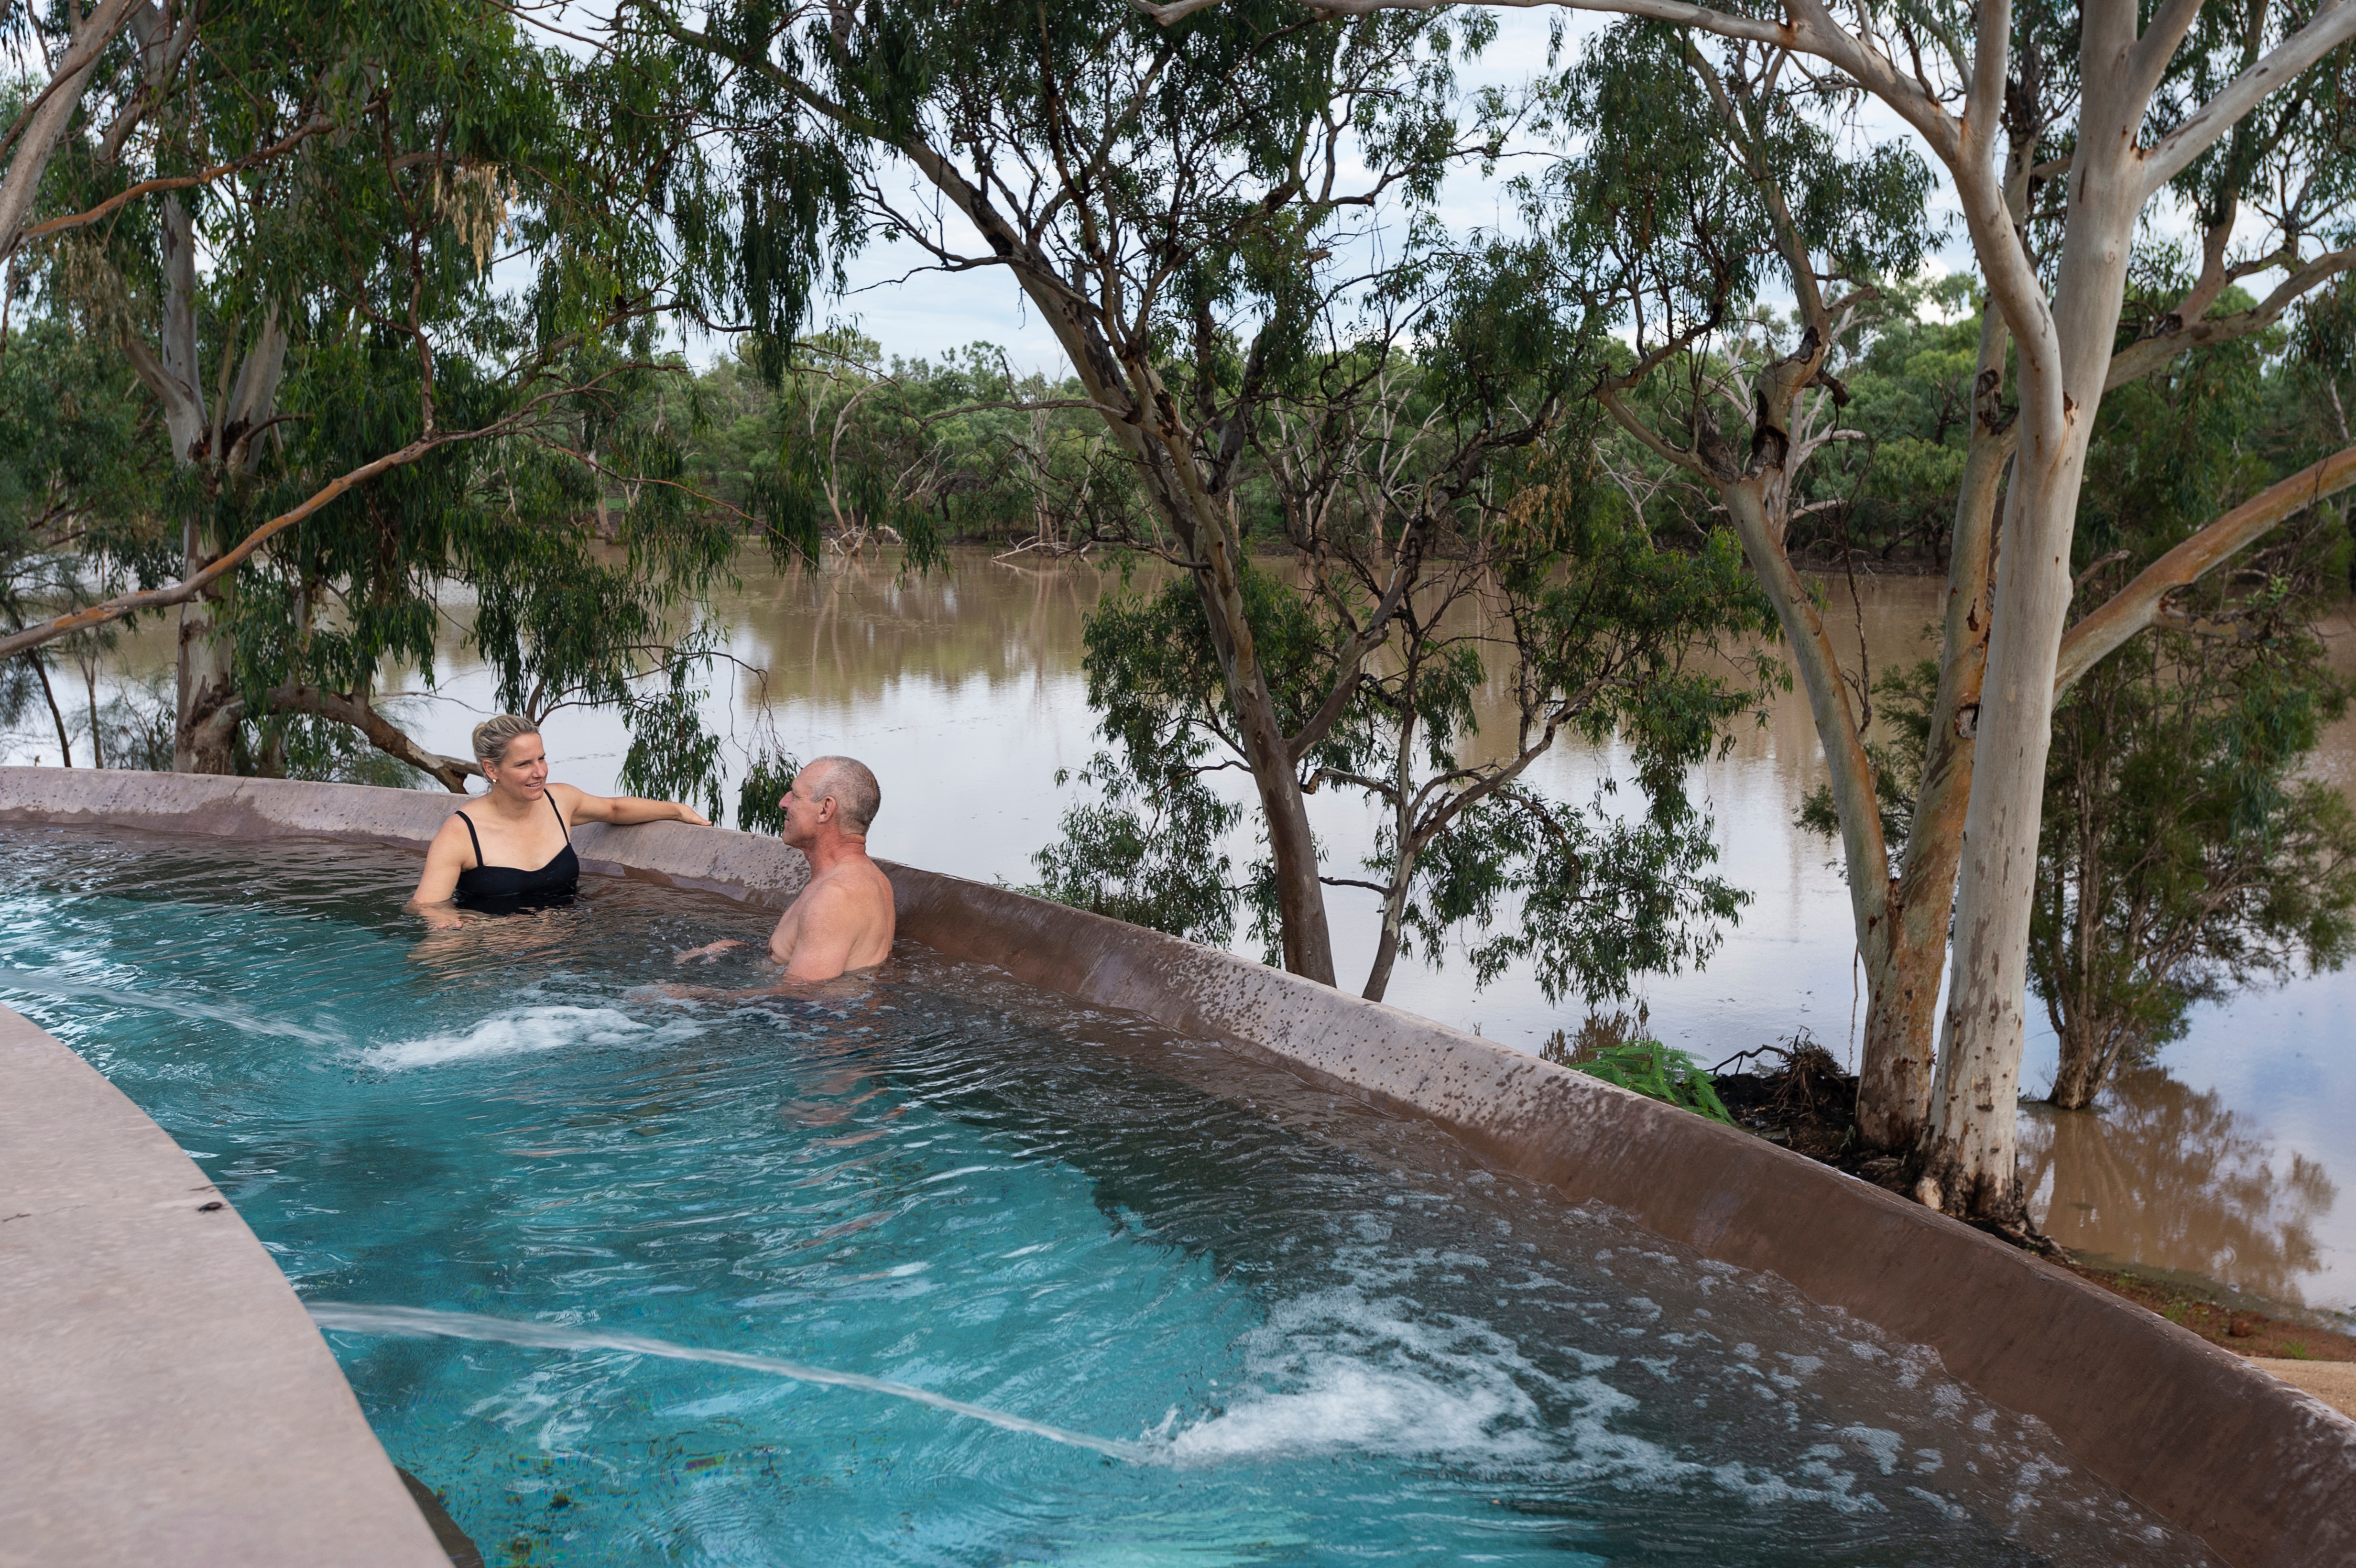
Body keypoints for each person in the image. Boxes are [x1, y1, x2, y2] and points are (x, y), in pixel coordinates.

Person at [406, 714, 710, 926]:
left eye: (541, 758)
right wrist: (483, 927)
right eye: (524, 764)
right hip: (498, 950)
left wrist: (677, 810)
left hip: (568, 938)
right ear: (492, 770)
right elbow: (426, 907)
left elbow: (615, 809)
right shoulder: (461, 833)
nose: (540, 772)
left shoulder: (560, 801)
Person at [675, 755, 895, 982]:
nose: (783, 802)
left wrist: (690, 997)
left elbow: (804, 999)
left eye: (796, 796)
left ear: (825, 810)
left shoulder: (834, 897)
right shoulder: (872, 879)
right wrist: (737, 947)